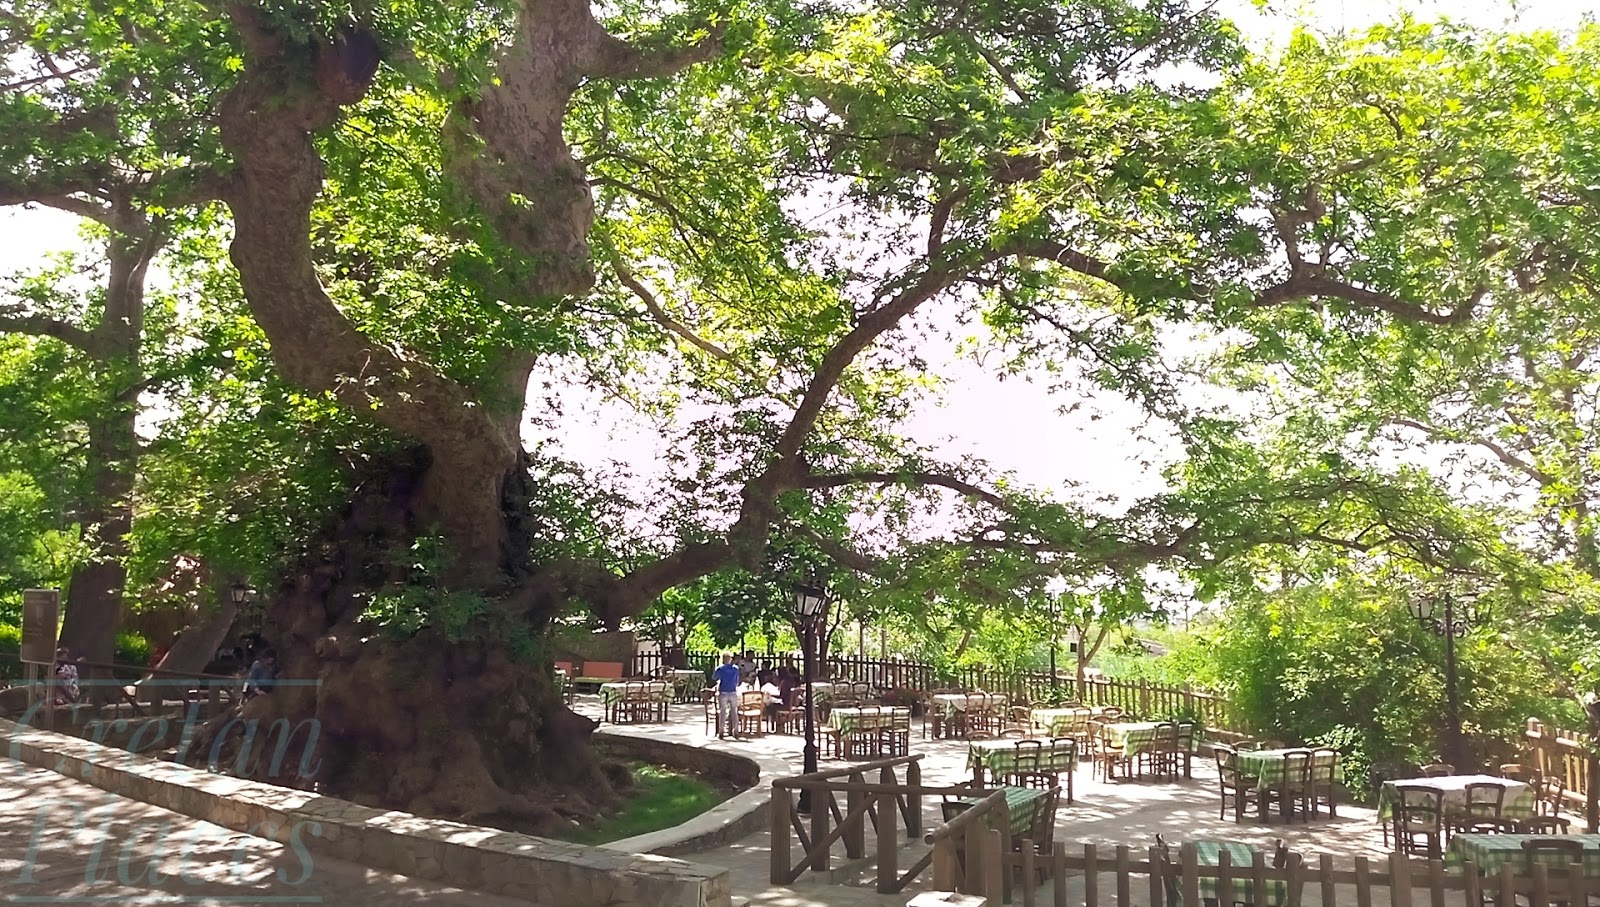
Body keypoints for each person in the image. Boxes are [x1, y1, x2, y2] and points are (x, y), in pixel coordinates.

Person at [712, 652, 742, 739]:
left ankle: (721, 731)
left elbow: (714, 677)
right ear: (730, 659)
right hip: (733, 691)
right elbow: (737, 681)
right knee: (734, 712)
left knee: (723, 712)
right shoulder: (735, 669)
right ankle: (735, 731)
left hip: (723, 691)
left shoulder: (720, 668)